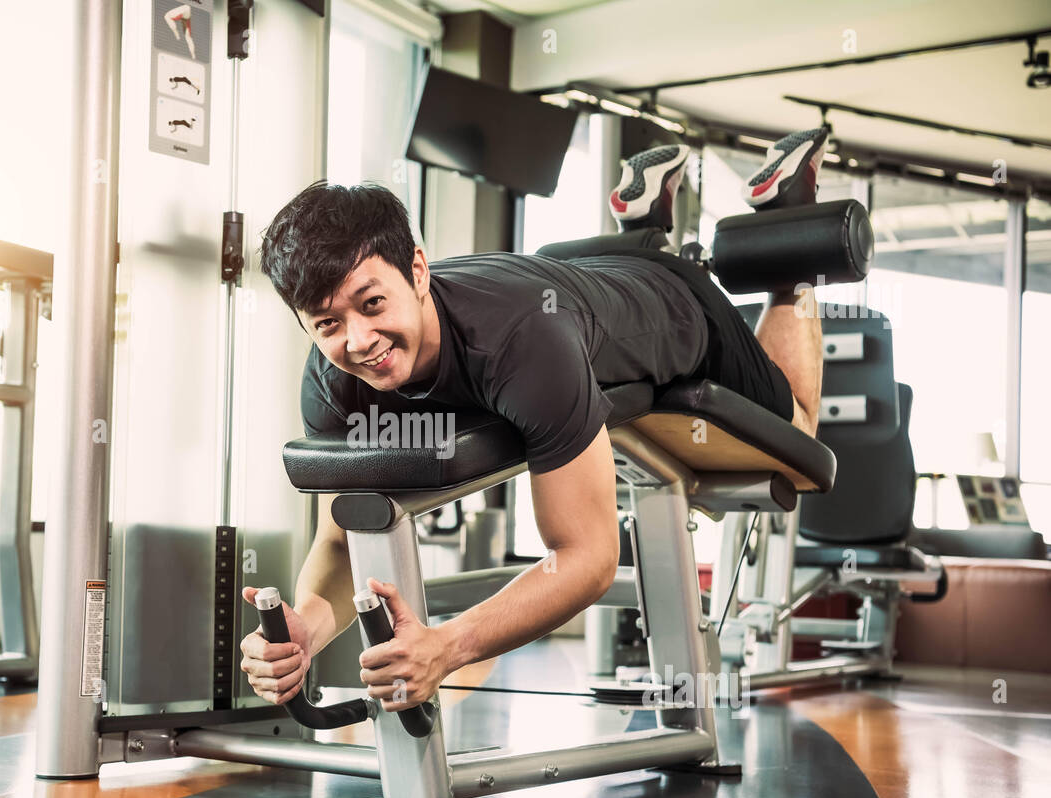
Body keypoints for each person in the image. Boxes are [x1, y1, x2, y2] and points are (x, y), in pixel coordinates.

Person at [240, 126, 831, 713]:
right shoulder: (330, 384)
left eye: (372, 304)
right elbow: (341, 541)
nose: (359, 340)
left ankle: (785, 241)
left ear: (418, 271)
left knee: (798, 430)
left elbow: (588, 556)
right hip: (570, 279)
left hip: (672, 303)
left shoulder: (522, 345)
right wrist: (308, 630)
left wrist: (446, 647)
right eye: (327, 324)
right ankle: (644, 222)